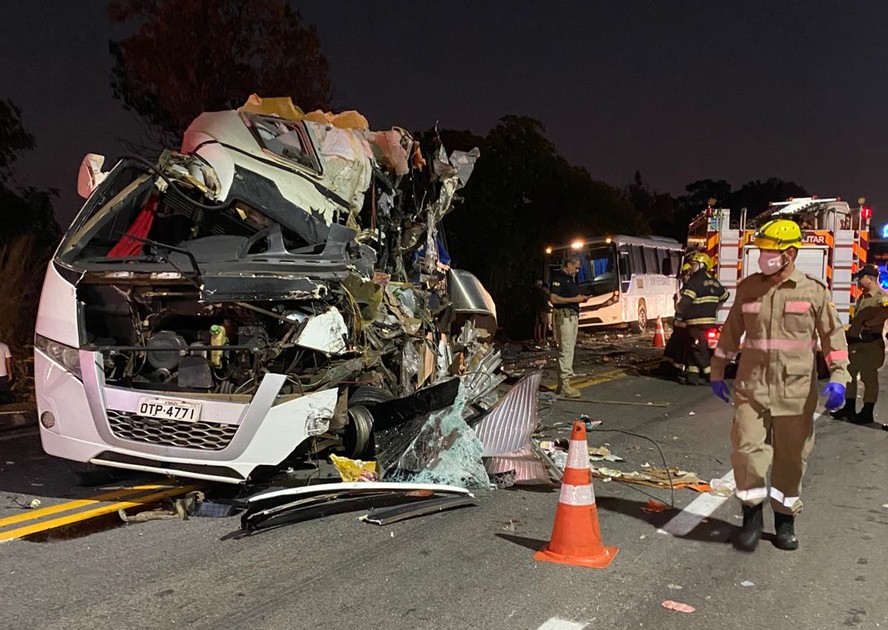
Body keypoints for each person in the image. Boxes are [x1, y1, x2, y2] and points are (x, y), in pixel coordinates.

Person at [710, 219, 849, 552]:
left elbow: (833, 337)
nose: (763, 256)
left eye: (769, 251)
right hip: (751, 388)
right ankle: (751, 517)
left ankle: (785, 520)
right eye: (761, 250)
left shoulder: (813, 291)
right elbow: (731, 332)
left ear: (789, 253)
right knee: (746, 452)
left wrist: (840, 377)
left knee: (791, 459)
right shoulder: (748, 288)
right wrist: (717, 370)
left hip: (796, 392)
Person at [831, 264, 888, 424]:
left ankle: (867, 412)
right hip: (857, 345)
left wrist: (869, 324)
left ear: (870, 278)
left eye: (861, 278)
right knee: (849, 375)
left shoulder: (880, 296)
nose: (858, 281)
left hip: (870, 345)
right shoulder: (863, 297)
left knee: (869, 378)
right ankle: (849, 408)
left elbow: (886, 311)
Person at [676, 252, 729, 385]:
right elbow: (725, 295)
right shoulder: (713, 280)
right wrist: (715, 305)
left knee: (698, 349)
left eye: (694, 264)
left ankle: (710, 375)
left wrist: (679, 315)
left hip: (696, 322)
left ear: (701, 265)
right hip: (710, 321)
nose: (692, 267)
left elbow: (685, 301)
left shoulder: (695, 281)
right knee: (694, 347)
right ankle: (692, 377)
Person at [549, 254, 589, 398]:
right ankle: (565, 384)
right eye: (576, 268)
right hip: (565, 317)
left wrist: (581, 299)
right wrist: (575, 299)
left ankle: (561, 385)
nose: (577, 271)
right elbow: (553, 298)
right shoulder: (559, 278)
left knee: (569, 349)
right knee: (566, 349)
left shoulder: (570, 280)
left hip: (572, 316)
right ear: (569, 264)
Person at [658, 261, 693, 378]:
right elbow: (679, 309)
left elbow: (685, 308)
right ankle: (668, 369)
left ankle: (677, 369)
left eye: (686, 274)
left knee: (680, 348)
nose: (684, 277)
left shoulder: (691, 289)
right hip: (680, 325)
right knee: (672, 347)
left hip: (686, 325)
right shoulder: (685, 289)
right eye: (683, 274)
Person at [532, 280, 551, 346]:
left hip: (536, 310)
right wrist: (548, 309)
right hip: (543, 310)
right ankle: (543, 338)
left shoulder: (534, 292)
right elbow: (545, 302)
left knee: (537, 324)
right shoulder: (543, 293)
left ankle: (538, 338)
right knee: (544, 324)